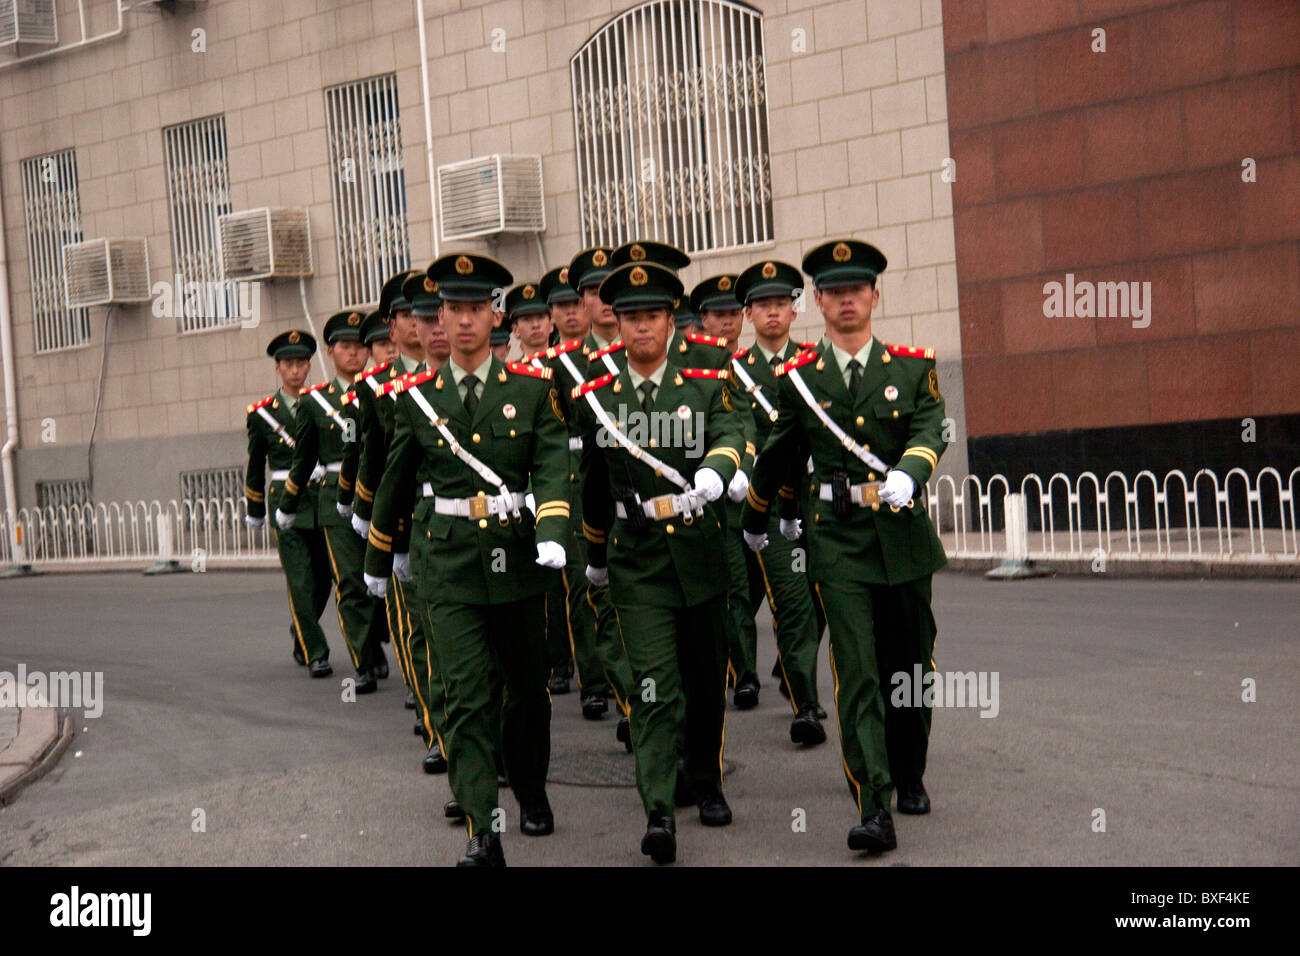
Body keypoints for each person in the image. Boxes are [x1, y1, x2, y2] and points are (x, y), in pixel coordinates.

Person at [363, 252, 571, 867]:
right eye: (452, 308)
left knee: (527, 691)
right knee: (465, 695)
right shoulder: (417, 399)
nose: (461, 319)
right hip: (447, 565)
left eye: (475, 307)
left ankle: (530, 789)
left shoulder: (532, 393)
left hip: (515, 558)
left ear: (495, 314)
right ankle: (484, 827)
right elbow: (397, 478)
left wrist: (553, 525)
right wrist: (382, 556)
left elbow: (553, 463)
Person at [741, 239, 947, 855]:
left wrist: (912, 469)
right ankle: (873, 803)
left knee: (908, 666)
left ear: (875, 296)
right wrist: (759, 516)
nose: (846, 300)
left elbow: (930, 426)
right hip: (837, 539)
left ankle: (909, 769)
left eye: (856, 289)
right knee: (855, 670)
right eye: (833, 292)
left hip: (903, 536)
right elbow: (780, 452)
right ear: (820, 303)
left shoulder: (912, 367)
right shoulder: (800, 378)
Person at [576, 261, 746, 864]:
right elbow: (590, 482)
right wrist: (594, 556)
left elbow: (735, 424)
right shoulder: (596, 393)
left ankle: (706, 778)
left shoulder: (705, 375)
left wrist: (718, 467)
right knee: (653, 687)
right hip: (638, 559)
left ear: (671, 319)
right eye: (629, 317)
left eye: (650, 316)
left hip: (699, 549)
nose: (640, 328)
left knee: (704, 680)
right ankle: (657, 809)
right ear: (616, 322)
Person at [725, 261, 826, 743]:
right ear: (748, 314)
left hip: (811, 496)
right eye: (762, 305)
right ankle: (803, 700)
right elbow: (741, 431)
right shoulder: (734, 375)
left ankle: (792, 675)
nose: (772, 313)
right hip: (762, 497)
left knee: (817, 594)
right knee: (781, 597)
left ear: (793, 309)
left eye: (780, 304)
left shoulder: (814, 363)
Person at [276, 310, 389, 694]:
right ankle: (363, 660)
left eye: (360, 345)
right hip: (335, 504)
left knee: (384, 577)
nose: (354, 353)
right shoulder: (314, 402)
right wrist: (287, 504)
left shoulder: (383, 389)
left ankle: (376, 642)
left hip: (380, 494)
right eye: (345, 346)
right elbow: (304, 458)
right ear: (330, 352)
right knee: (352, 581)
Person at [244, 330, 333, 678]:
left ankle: (302, 629)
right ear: (278, 368)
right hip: (286, 501)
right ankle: (316, 652)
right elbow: (255, 465)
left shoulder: (322, 405)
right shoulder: (264, 414)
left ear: (310, 366)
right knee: (300, 579)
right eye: (288, 364)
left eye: (301, 363)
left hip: (319, 496)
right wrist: (255, 509)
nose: (296, 370)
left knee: (325, 578)